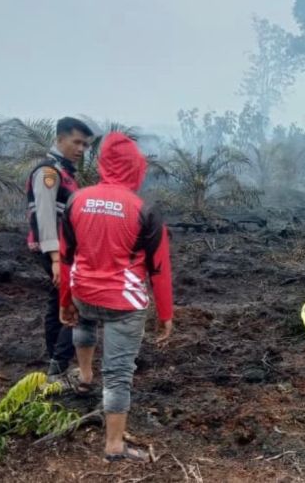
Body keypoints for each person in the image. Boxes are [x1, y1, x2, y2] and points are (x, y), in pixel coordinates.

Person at [59, 132, 174, 463]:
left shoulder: (76, 200)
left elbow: (68, 257)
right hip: (123, 305)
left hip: (83, 292)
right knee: (119, 373)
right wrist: (165, 314)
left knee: (84, 323)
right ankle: (113, 445)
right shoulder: (144, 210)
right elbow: (159, 269)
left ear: (103, 164)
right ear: (134, 167)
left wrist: (65, 299)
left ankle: (83, 376)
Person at [25, 116, 93, 378]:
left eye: (85, 145)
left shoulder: (64, 173)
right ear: (59, 139)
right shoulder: (49, 173)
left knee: (57, 303)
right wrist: (56, 258)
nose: (80, 149)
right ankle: (59, 366)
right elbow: (44, 217)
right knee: (75, 302)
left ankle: (55, 360)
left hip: (64, 252)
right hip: (57, 252)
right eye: (76, 142)